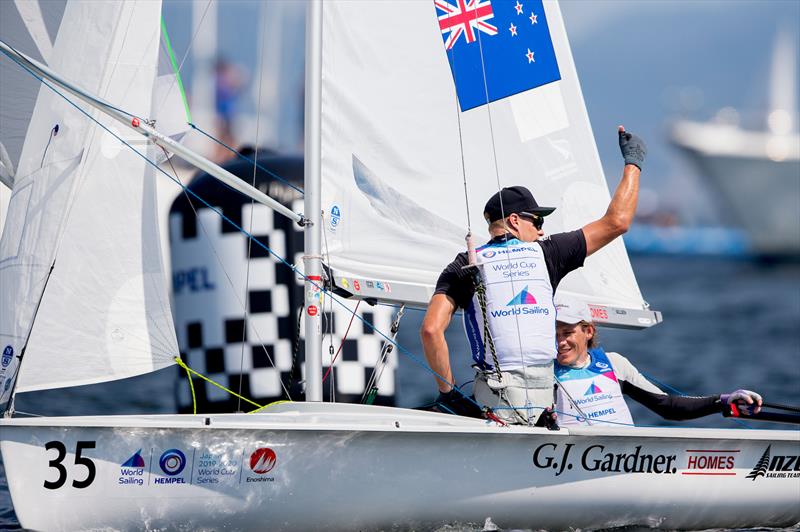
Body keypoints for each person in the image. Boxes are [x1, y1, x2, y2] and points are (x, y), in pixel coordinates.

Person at [420, 126, 647, 424]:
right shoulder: (548, 252)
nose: (541, 229)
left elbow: (430, 330)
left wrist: (448, 394)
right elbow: (617, 222)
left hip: (495, 404)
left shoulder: (466, 263)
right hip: (542, 406)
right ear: (515, 221)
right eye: (536, 220)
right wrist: (634, 162)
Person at [553, 294, 762, 426]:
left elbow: (667, 406)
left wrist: (724, 401)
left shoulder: (614, 364)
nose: (560, 342)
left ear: (588, 331)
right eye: (554, 334)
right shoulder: (542, 373)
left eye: (567, 333)